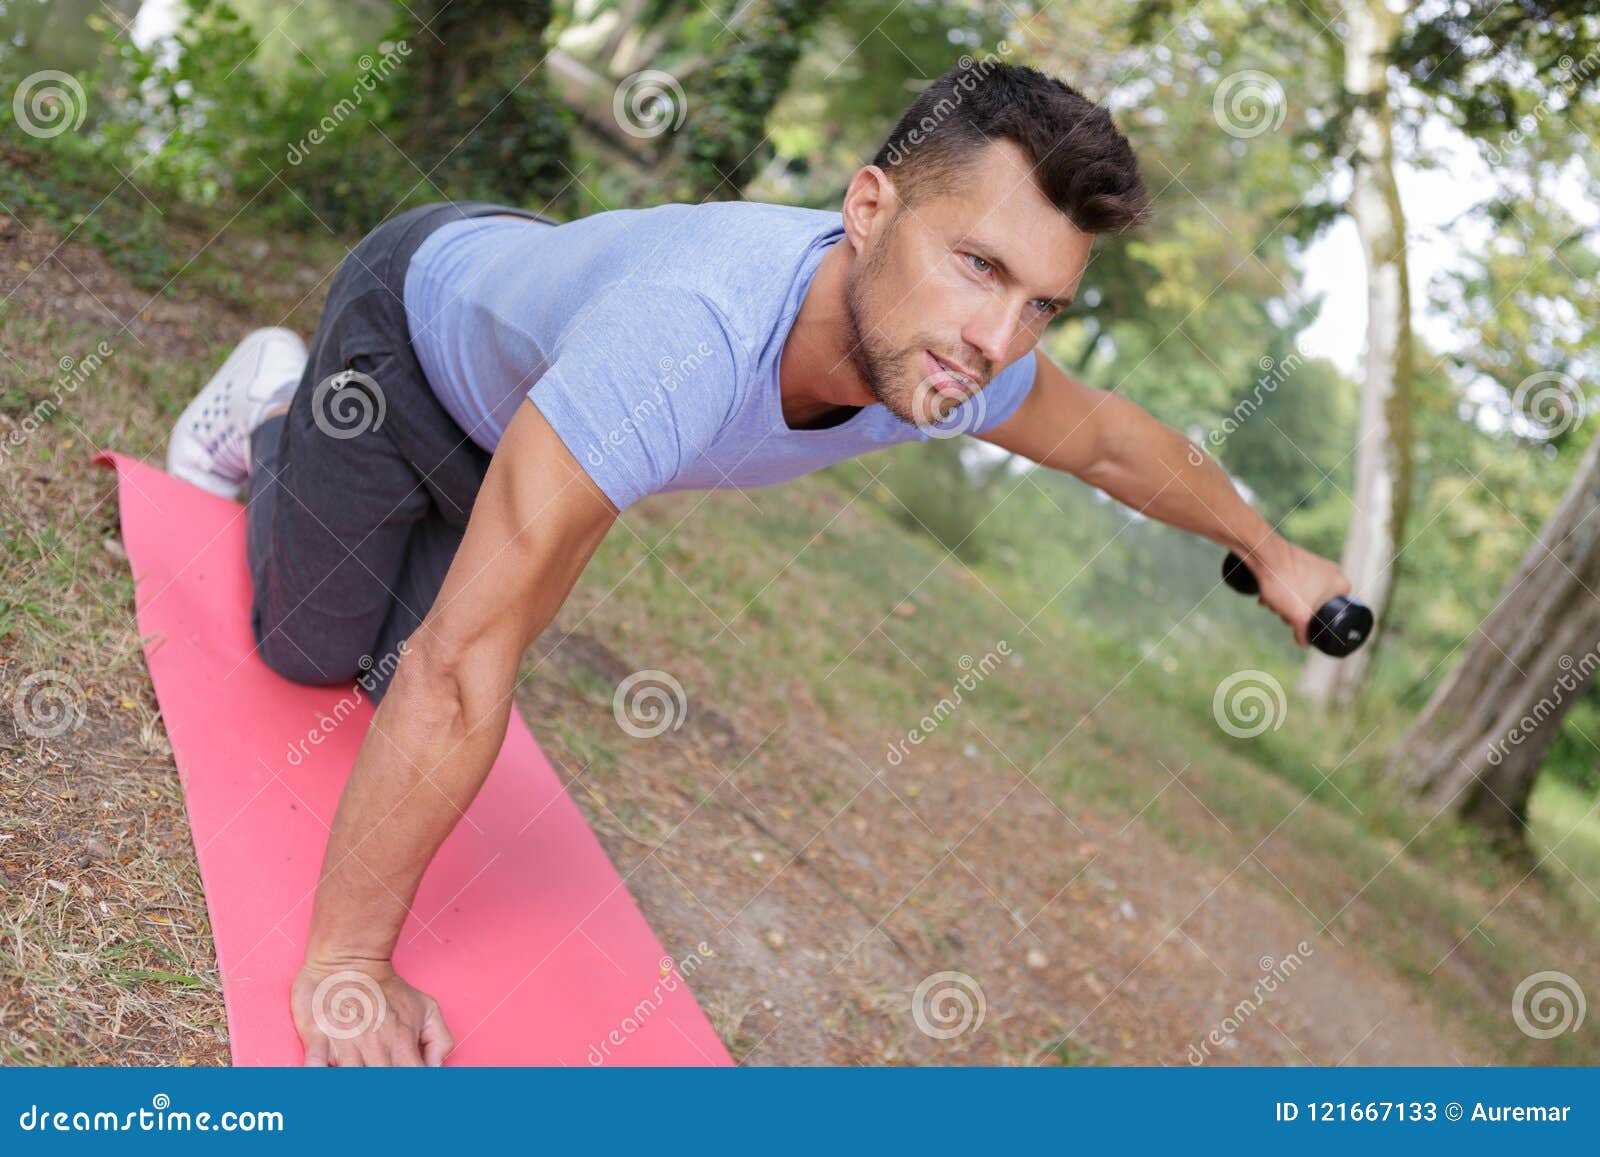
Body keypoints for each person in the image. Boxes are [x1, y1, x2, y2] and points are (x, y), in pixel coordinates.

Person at [165, 60, 1350, 1066]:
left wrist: (1271, 548)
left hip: (539, 389)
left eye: (1041, 303)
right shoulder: (689, 332)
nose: (996, 340)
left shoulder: (942, 361)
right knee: (319, 653)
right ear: (870, 206)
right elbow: (461, 671)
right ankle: (277, 402)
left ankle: (414, 478)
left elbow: (1106, 438)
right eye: (978, 266)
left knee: (402, 676)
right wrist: (351, 963)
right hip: (414, 337)